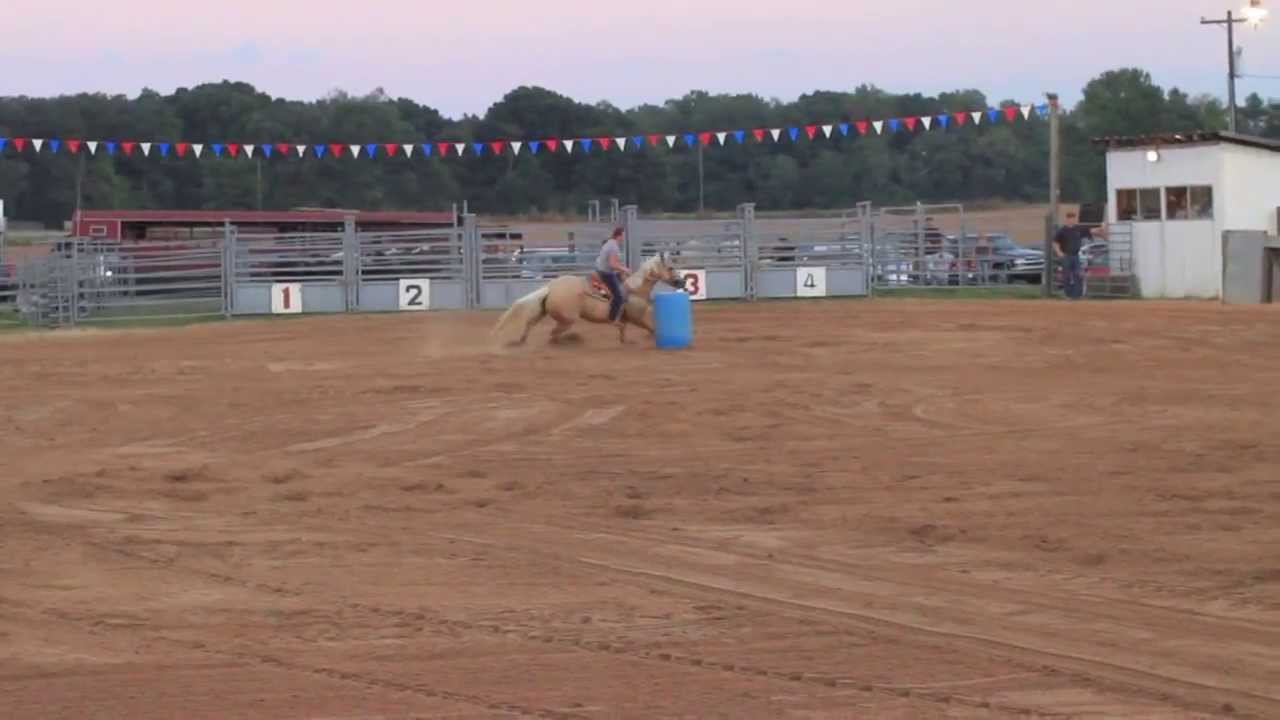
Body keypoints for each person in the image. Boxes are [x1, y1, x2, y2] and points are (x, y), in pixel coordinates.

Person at [1053, 210, 1105, 300]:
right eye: (1070, 218)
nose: (1072, 220)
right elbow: (1055, 242)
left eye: (1073, 218)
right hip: (1066, 256)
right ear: (1067, 219)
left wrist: (1102, 227)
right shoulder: (1062, 230)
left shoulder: (1078, 229)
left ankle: (1077, 295)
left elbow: (1091, 231)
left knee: (1078, 275)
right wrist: (1059, 253)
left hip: (1076, 256)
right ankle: (1068, 295)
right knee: (1067, 276)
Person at [595, 227, 632, 326]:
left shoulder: (610, 243)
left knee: (623, 283)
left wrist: (621, 268)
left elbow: (614, 262)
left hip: (603, 270)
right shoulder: (614, 246)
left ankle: (622, 308)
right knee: (618, 296)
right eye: (623, 235)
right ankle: (612, 318)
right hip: (606, 273)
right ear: (619, 235)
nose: (624, 237)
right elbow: (612, 264)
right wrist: (625, 269)